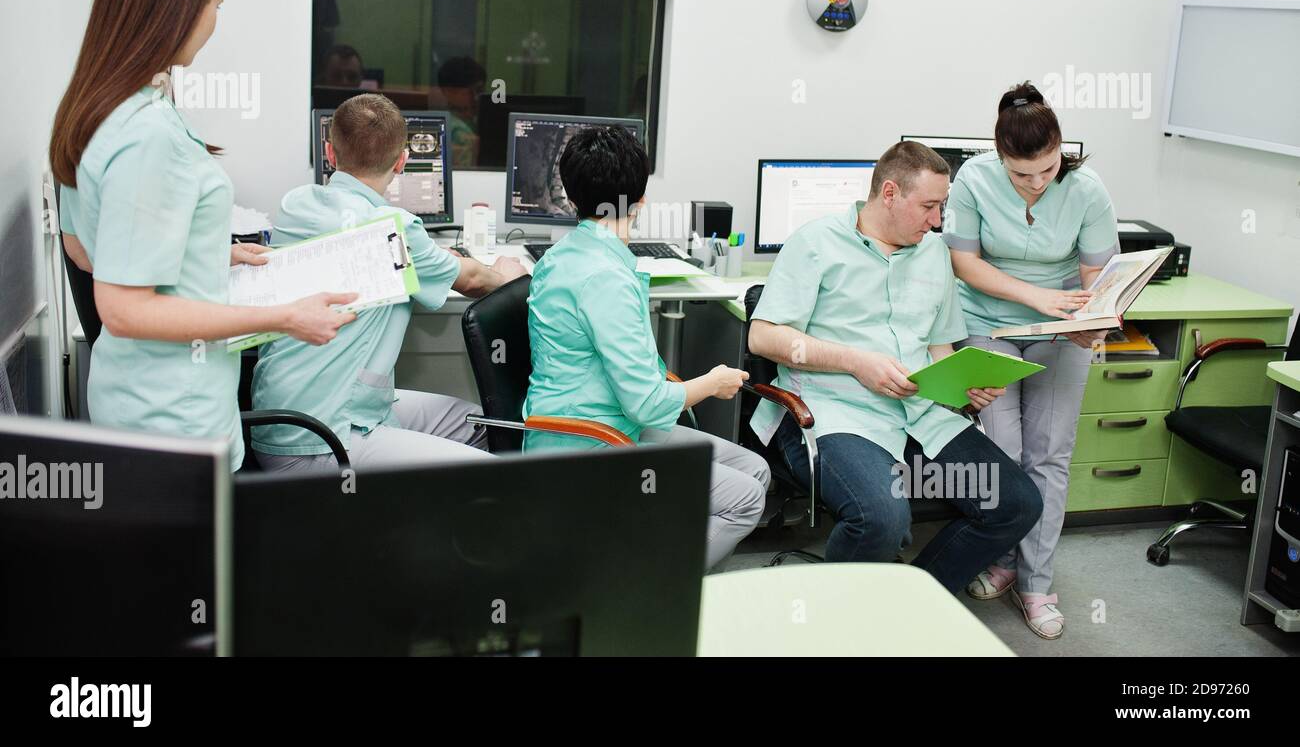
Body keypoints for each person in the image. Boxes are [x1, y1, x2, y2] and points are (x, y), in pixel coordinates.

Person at [49, 0, 354, 470]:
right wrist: (282, 317)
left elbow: (89, 245)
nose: (216, 17)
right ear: (176, 8)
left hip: (144, 405)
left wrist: (207, 251)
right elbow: (122, 309)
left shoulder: (107, 106)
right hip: (173, 419)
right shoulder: (146, 134)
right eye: (215, 2)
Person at [748, 140, 1044, 593]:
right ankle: (834, 625)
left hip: (920, 415)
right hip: (834, 415)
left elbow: (941, 347)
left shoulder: (934, 256)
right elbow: (763, 337)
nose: (937, 220)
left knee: (1017, 503)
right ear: (889, 193)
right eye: (928, 206)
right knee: (881, 517)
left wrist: (962, 386)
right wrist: (854, 361)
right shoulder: (816, 243)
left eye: (941, 207)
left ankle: (912, 600)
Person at [523, 125, 770, 570]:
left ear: (572, 195)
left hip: (604, 419)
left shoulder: (565, 253)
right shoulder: (605, 278)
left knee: (756, 469)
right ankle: (650, 588)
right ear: (639, 204)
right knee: (747, 499)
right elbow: (647, 403)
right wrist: (712, 383)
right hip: (592, 443)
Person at [251, 93, 528, 471]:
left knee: (481, 427)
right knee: (493, 472)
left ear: (330, 154)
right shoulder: (393, 230)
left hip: (284, 418)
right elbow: (475, 280)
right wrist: (514, 278)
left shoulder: (296, 205)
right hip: (320, 439)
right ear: (402, 161)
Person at [944, 82, 1119, 639]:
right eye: (1023, 175)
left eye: (1047, 170)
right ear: (1000, 156)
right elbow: (964, 264)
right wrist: (1034, 296)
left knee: (1049, 455)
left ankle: (1036, 581)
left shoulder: (1088, 189)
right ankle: (1000, 560)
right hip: (989, 323)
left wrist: (1092, 322)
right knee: (1003, 454)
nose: (1037, 184)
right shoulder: (973, 179)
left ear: (1060, 149)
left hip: (1060, 328)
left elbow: (1097, 276)